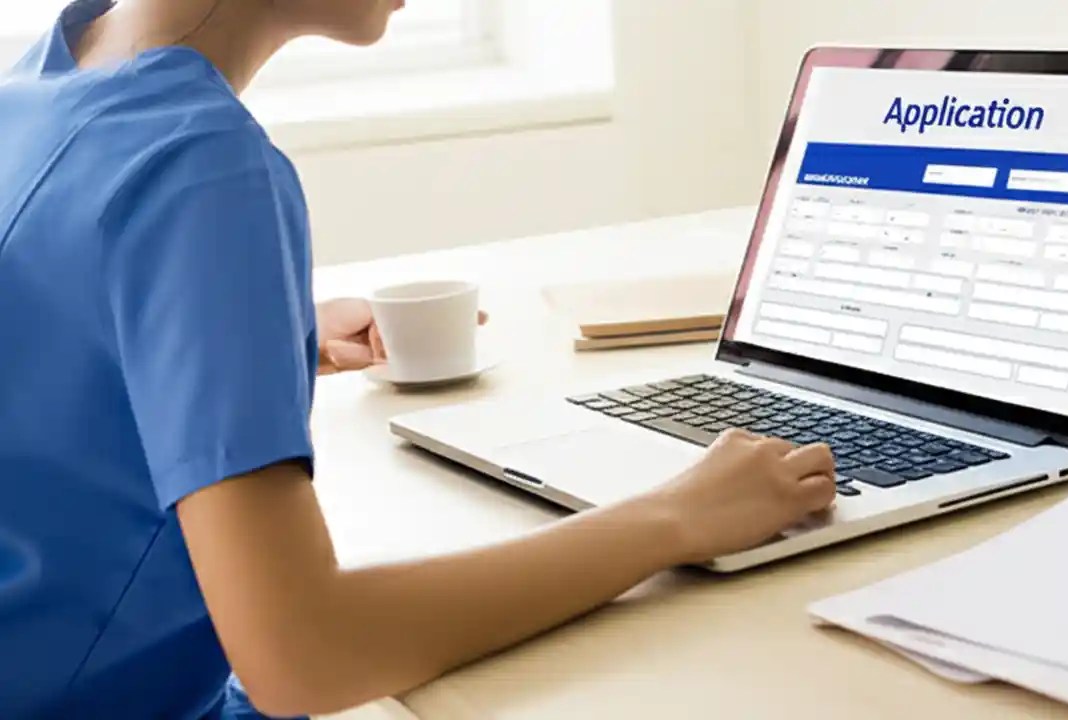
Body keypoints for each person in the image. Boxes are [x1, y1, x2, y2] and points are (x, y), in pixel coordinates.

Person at [0, 1, 837, 717]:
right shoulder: (200, 165)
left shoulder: (42, 81)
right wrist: (674, 517)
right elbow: (302, 651)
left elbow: (49, 328)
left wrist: (245, 334)